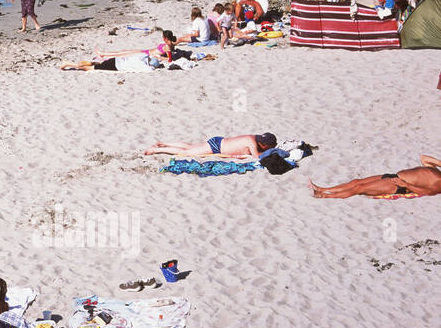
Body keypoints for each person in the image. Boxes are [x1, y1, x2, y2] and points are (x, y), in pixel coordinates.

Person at [309, 155, 441, 199]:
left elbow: (427, 192)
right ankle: (321, 189)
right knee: (356, 182)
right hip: (394, 176)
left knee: (359, 188)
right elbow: (424, 158)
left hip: (398, 185)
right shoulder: (437, 171)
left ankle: (324, 195)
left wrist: (405, 185)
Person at [143, 132, 278, 158]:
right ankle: (156, 150)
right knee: (187, 153)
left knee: (190, 146)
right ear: (264, 145)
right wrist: (272, 153)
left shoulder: (252, 137)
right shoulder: (251, 142)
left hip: (218, 142)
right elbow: (256, 157)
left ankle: (163, 143)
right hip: (216, 147)